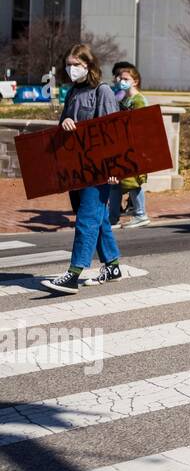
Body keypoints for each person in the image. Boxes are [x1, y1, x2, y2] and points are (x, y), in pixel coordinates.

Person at [41, 44, 124, 293]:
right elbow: (64, 126)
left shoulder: (103, 91)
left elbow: (112, 132)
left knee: (87, 220)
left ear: (88, 65)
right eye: (68, 64)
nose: (71, 69)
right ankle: (113, 265)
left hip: (98, 168)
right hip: (75, 167)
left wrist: (113, 168)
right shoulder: (73, 92)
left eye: (76, 64)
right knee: (97, 219)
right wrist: (65, 120)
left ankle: (74, 273)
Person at [107, 64, 150, 228]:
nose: (122, 81)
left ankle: (141, 214)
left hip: (133, 148)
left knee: (132, 182)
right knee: (116, 183)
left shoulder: (139, 100)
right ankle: (113, 217)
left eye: (126, 79)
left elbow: (140, 124)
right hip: (121, 146)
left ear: (135, 81)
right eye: (121, 78)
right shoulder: (123, 98)